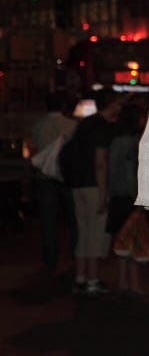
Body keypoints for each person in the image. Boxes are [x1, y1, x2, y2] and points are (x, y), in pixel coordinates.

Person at [66, 89, 125, 295]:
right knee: (95, 234)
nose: (120, 106)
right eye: (117, 102)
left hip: (77, 185)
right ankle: (92, 279)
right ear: (111, 104)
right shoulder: (102, 128)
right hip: (93, 186)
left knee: (83, 232)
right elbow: (100, 163)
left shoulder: (85, 123)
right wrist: (103, 193)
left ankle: (80, 277)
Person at [30, 91, 78, 273]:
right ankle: (75, 255)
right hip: (67, 178)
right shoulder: (72, 125)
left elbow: (35, 150)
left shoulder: (38, 126)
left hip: (44, 177)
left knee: (48, 221)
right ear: (64, 106)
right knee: (74, 220)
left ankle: (50, 260)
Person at [107, 103, 149, 296]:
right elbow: (132, 173)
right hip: (130, 197)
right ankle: (134, 284)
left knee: (122, 241)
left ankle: (123, 281)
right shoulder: (133, 143)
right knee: (135, 239)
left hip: (118, 196)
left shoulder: (117, 141)